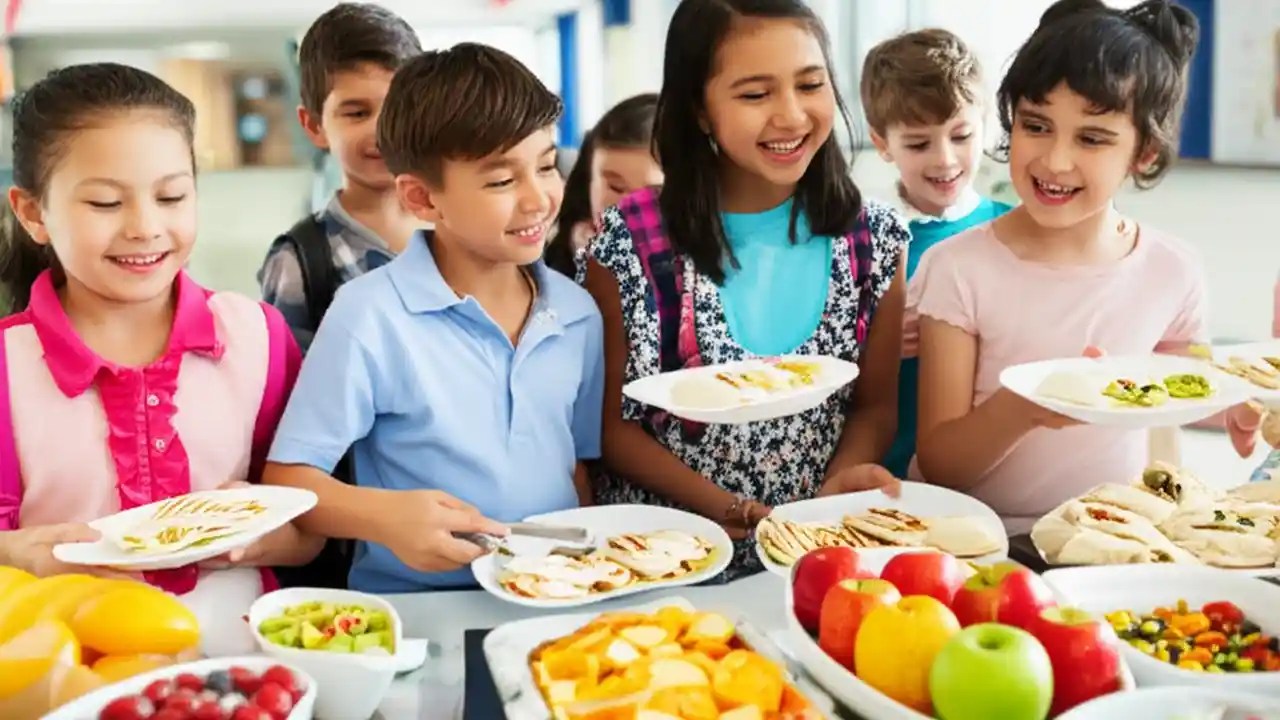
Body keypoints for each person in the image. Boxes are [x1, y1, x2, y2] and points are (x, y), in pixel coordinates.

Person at [581, 0, 907, 581]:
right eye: (755, 95)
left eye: (810, 84)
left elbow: (875, 407)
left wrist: (827, 497)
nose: (791, 116)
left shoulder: (874, 238)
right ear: (699, 111)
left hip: (813, 555)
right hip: (668, 559)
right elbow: (609, 427)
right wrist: (724, 508)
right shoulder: (631, 238)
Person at [263, 44, 605, 593]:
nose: (538, 198)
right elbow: (287, 482)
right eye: (500, 181)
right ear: (422, 198)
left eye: (546, 165)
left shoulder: (577, 313)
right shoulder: (369, 314)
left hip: (554, 599)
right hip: (418, 611)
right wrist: (385, 519)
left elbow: (575, 470)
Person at [0, 64, 320, 598]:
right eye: (105, 202)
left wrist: (261, 538)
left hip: (243, 659)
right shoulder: (8, 366)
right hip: (67, 660)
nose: (145, 226)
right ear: (33, 212)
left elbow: (310, 530)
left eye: (171, 197)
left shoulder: (256, 338)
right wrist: (16, 554)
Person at [912, 0, 1211, 532]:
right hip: (981, 539)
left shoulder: (1172, 270)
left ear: (1143, 152)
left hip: (1110, 540)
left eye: (1092, 138)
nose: (1054, 161)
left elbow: (1178, 398)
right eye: (1036, 125)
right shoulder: (958, 268)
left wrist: (1244, 408)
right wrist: (1026, 407)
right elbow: (941, 467)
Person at [860, 28, 1014, 478]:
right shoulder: (865, 242)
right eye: (918, 143)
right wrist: (879, 344)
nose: (945, 159)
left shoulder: (1013, 228)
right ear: (882, 144)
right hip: (889, 473)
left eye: (962, 135)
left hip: (998, 477)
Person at [258, 2, 422, 350]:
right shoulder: (301, 261)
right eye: (357, 112)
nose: (383, 130)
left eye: (397, 108)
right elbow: (292, 387)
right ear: (315, 126)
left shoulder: (464, 227)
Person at [544, 93, 661, 277]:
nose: (628, 206)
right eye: (616, 187)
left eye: (654, 193)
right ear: (588, 180)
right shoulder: (554, 266)